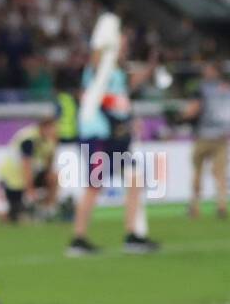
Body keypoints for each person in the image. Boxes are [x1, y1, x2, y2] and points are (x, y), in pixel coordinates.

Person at [66, 19, 160, 256]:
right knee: (94, 185)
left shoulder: (118, 73)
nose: (124, 48)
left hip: (117, 137)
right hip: (97, 135)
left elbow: (126, 90)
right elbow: (98, 63)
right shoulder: (98, 68)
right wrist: (106, 42)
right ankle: (78, 238)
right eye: (122, 44)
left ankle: (131, 233)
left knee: (135, 179)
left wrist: (150, 67)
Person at [182, 61, 230, 219]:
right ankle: (222, 206)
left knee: (197, 172)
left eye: (207, 69)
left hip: (204, 135)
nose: (205, 72)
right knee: (220, 173)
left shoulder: (202, 89)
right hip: (223, 136)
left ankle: (194, 206)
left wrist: (180, 118)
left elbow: (194, 109)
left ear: (214, 71)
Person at [0, 107, 60, 222]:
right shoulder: (29, 139)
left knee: (54, 177)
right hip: (13, 179)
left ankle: (48, 210)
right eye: (50, 127)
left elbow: (49, 165)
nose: (53, 130)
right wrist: (30, 190)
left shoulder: (50, 140)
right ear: (43, 127)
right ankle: (8, 214)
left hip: (28, 175)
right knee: (15, 216)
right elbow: (25, 166)